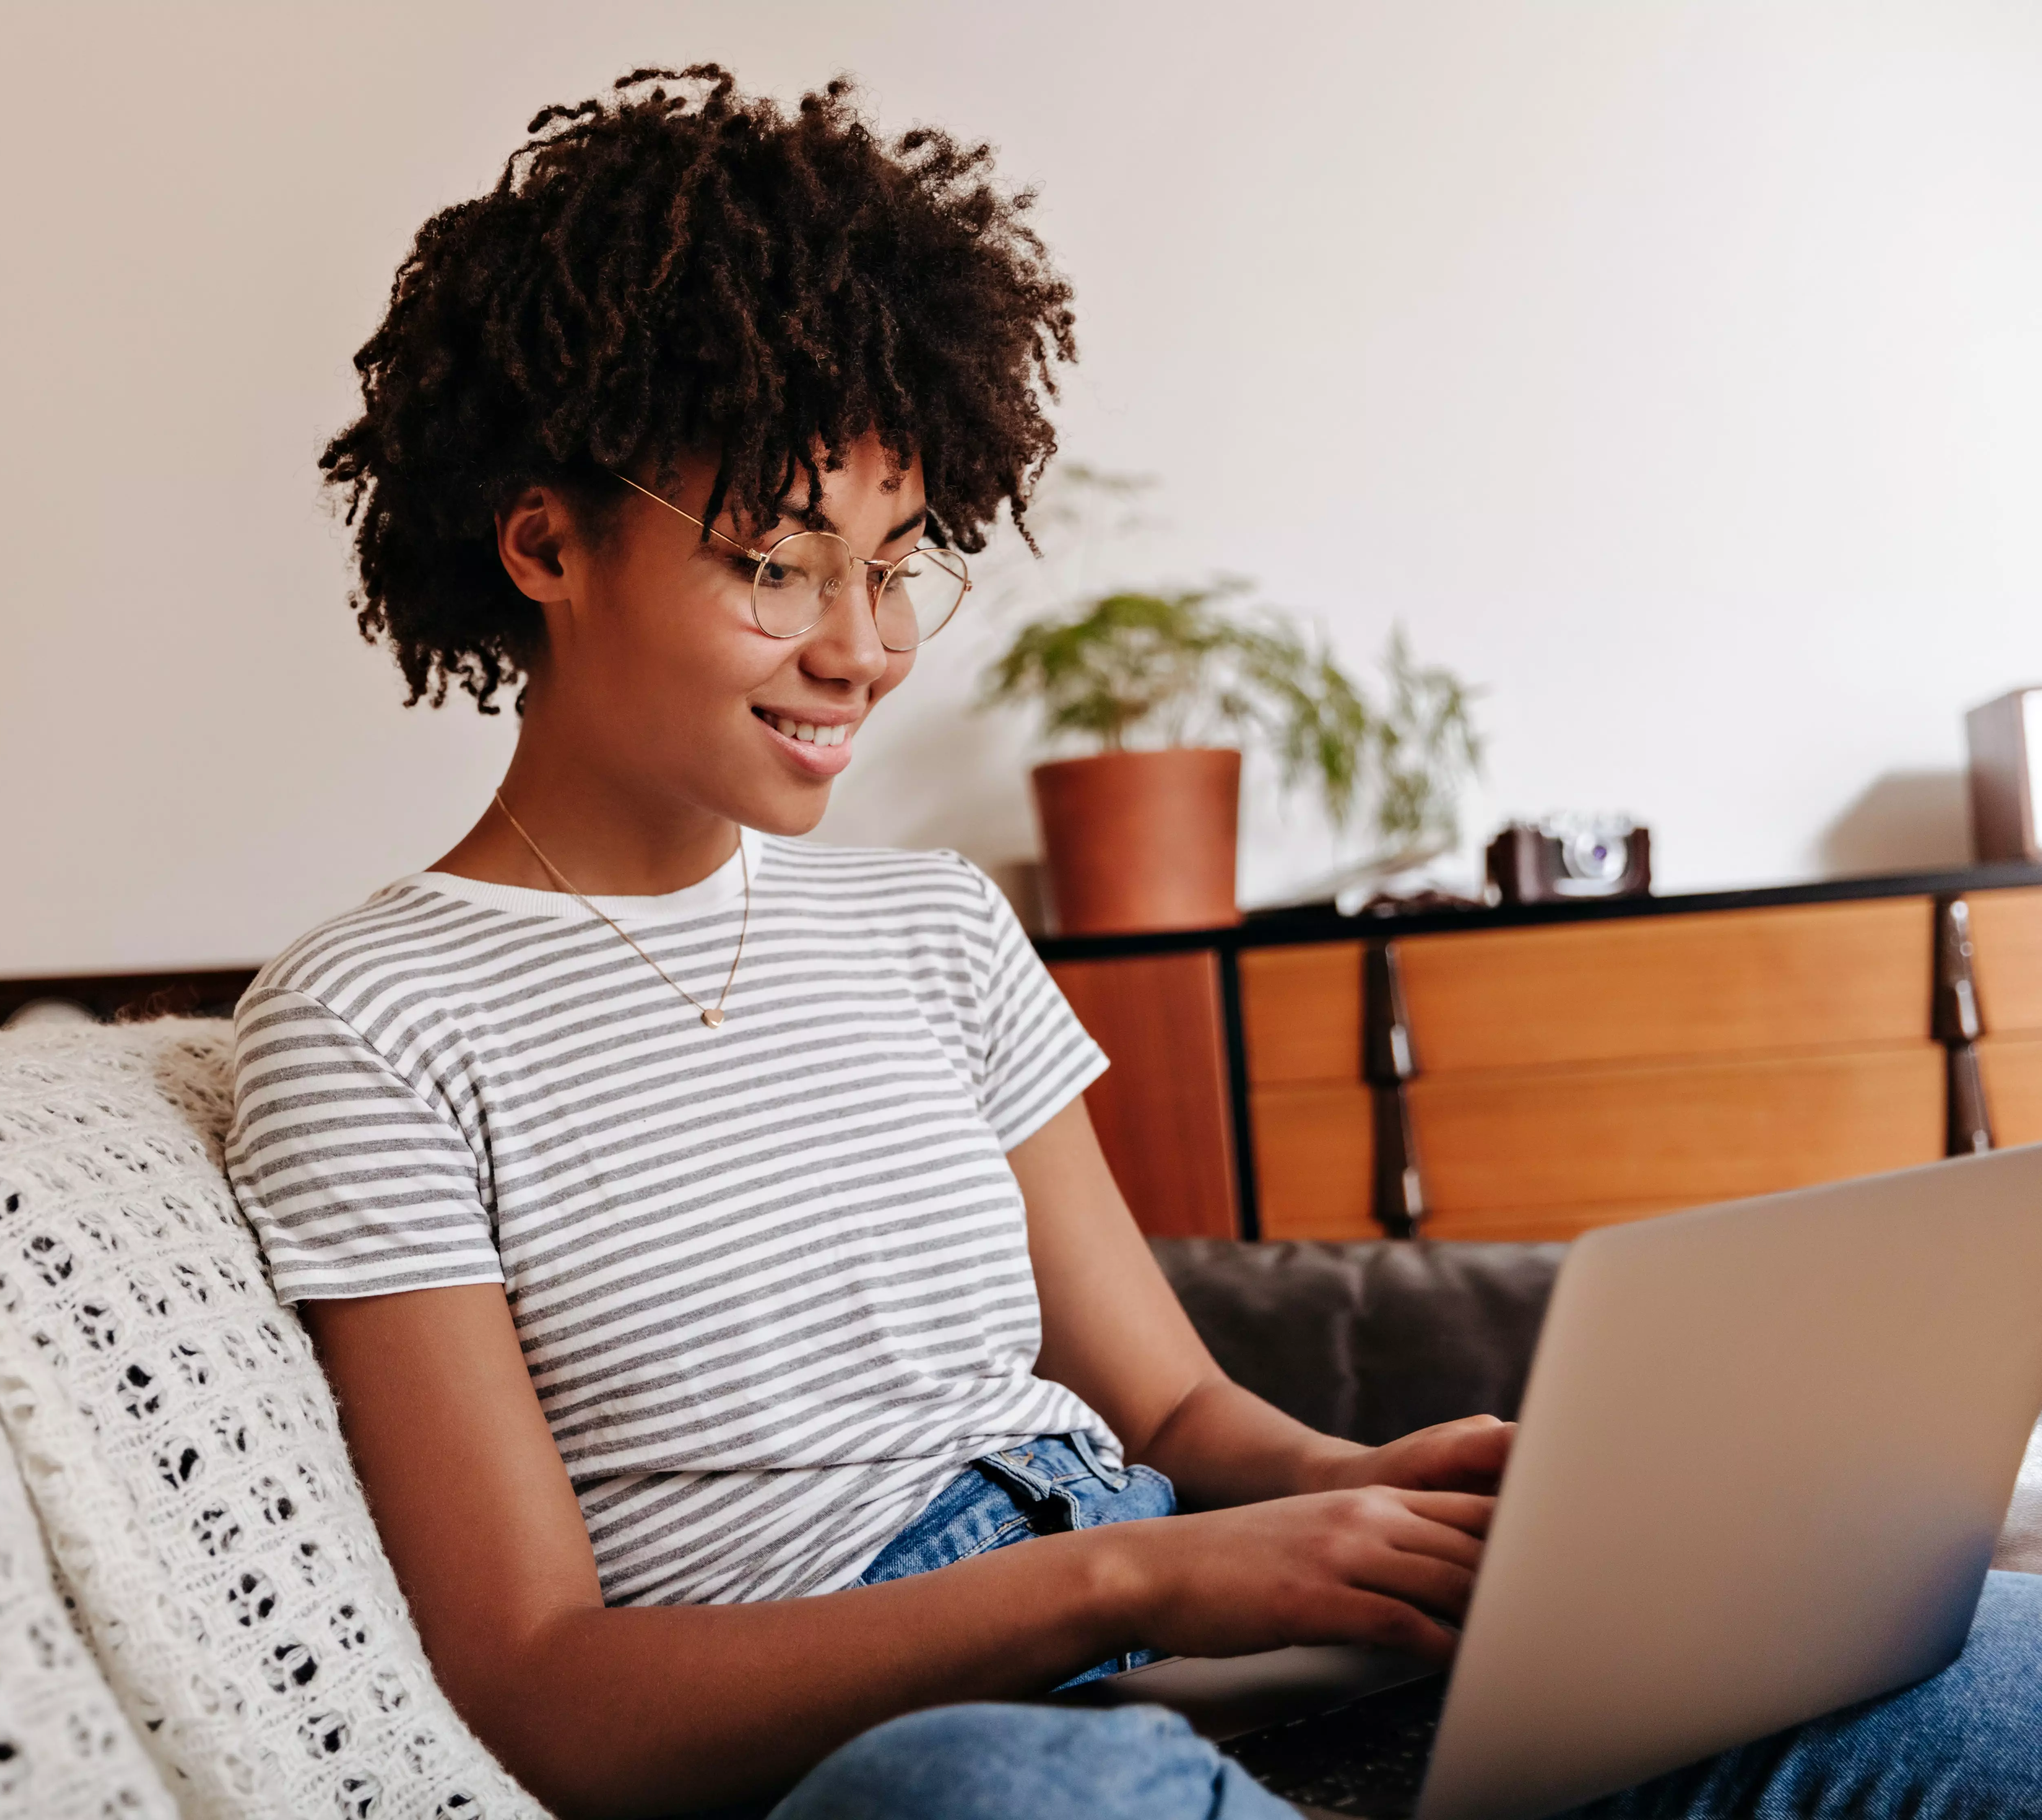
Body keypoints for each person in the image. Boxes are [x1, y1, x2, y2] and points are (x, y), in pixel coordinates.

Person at [225, 66, 2042, 1820]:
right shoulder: (373, 1021)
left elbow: (1168, 1395)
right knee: (988, 1783)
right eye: (779, 563)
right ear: (545, 543)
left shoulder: (932, 923)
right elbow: (550, 1701)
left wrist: (1360, 1501)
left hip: (1206, 1650)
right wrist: (1128, 1588)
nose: (861, 645)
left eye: (898, 558)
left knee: (1985, 1648)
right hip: (938, 1719)